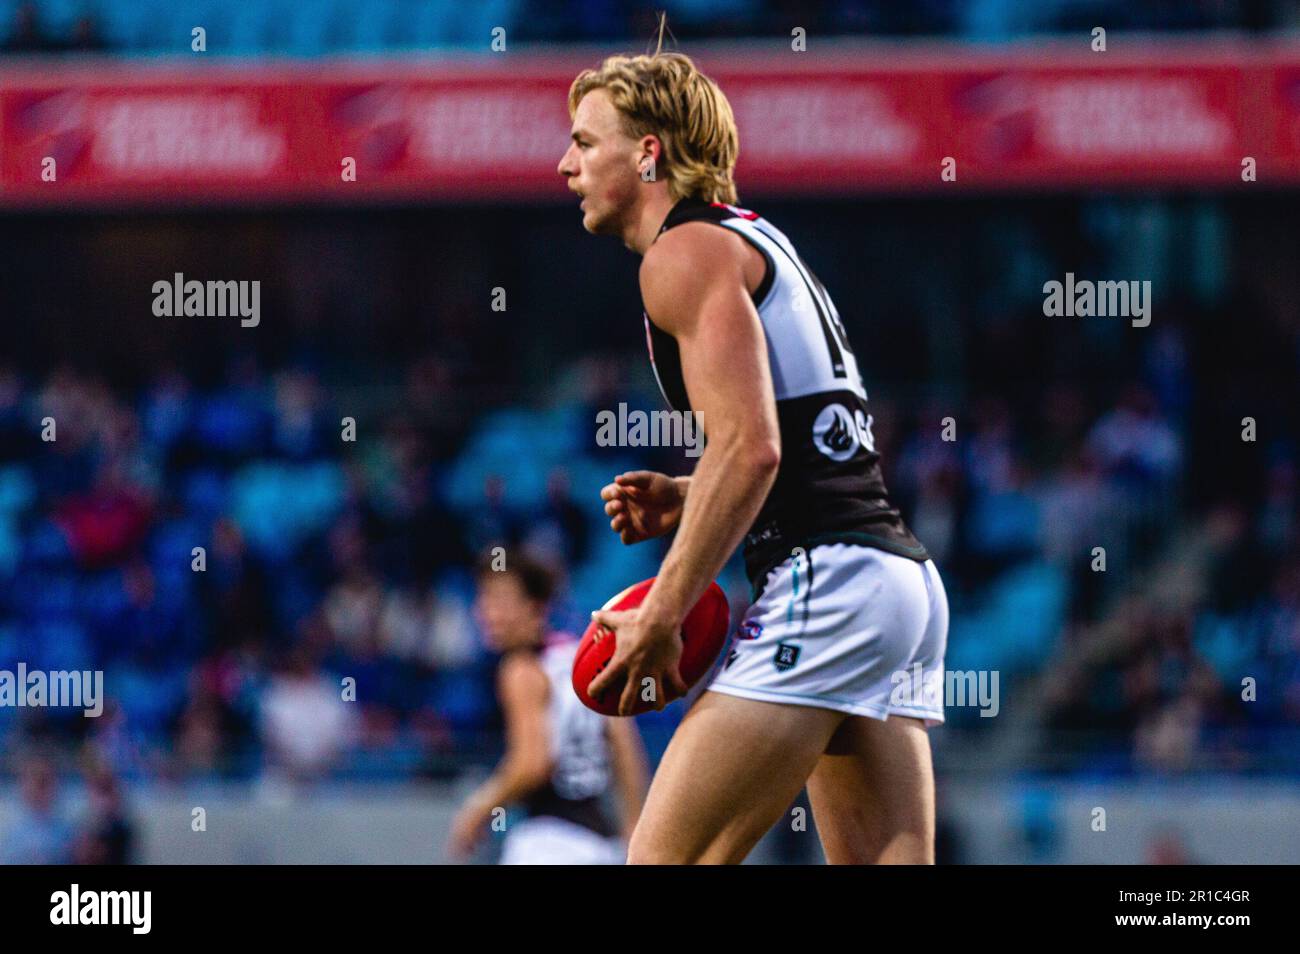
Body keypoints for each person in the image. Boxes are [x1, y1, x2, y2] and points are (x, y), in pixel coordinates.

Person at [556, 27, 949, 864]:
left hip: (831, 581)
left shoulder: (681, 253)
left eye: (586, 142)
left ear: (649, 155)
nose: (566, 165)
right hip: (900, 583)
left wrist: (662, 611)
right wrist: (690, 491)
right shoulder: (752, 234)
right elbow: (807, 446)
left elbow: (755, 449)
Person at [449, 555, 648, 863]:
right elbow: (625, 743)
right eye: (483, 599)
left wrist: (479, 807)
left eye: (499, 600)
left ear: (535, 607)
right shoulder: (582, 659)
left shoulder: (520, 668)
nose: (486, 612)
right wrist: (634, 824)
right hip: (600, 843)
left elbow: (532, 763)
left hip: (547, 842)